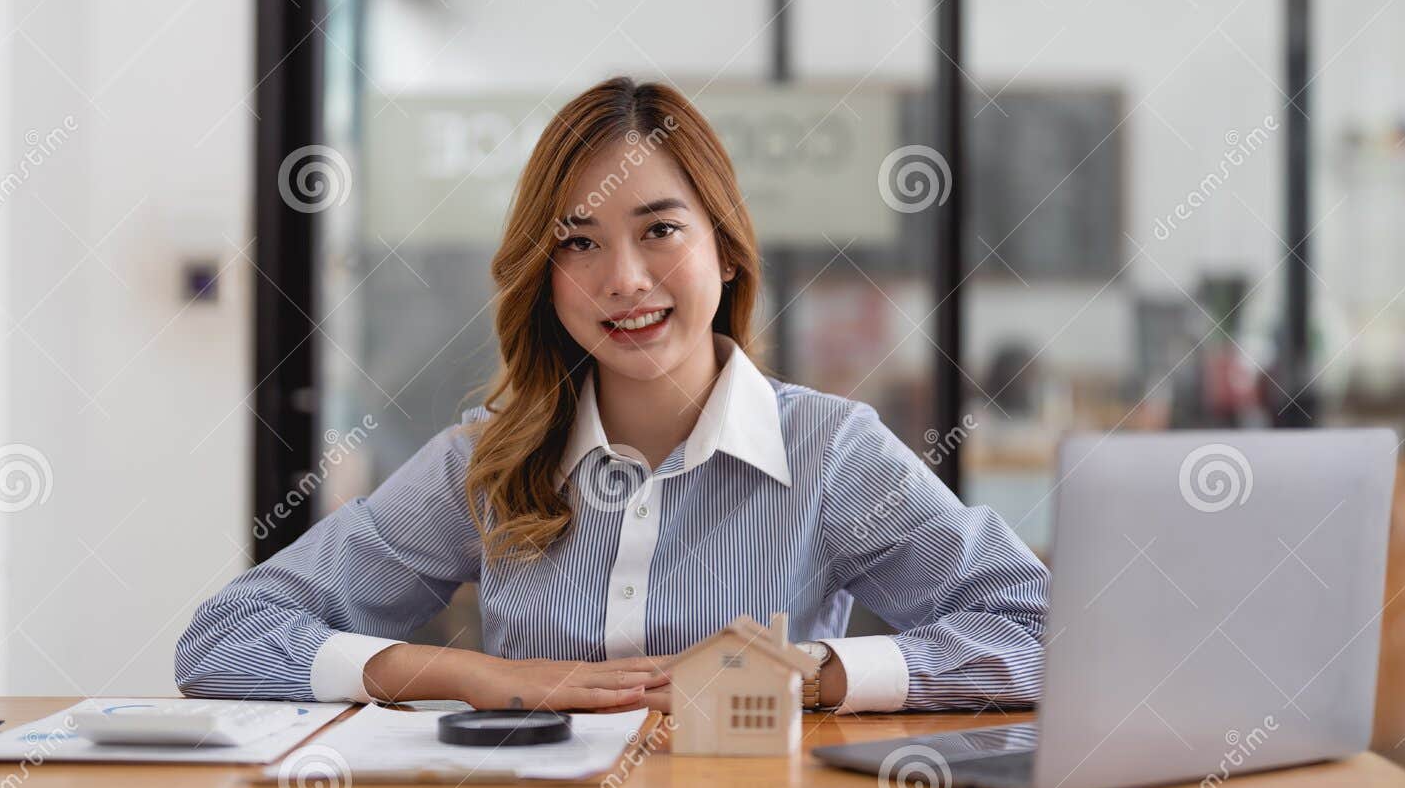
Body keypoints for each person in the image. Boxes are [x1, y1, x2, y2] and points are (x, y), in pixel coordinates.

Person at [176, 77, 1050, 715]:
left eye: (661, 230)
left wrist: (812, 671)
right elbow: (225, 638)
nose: (624, 280)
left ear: (728, 249)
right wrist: (473, 675)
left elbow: (1041, 631)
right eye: (578, 243)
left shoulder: (829, 451)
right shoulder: (484, 462)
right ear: (546, 276)